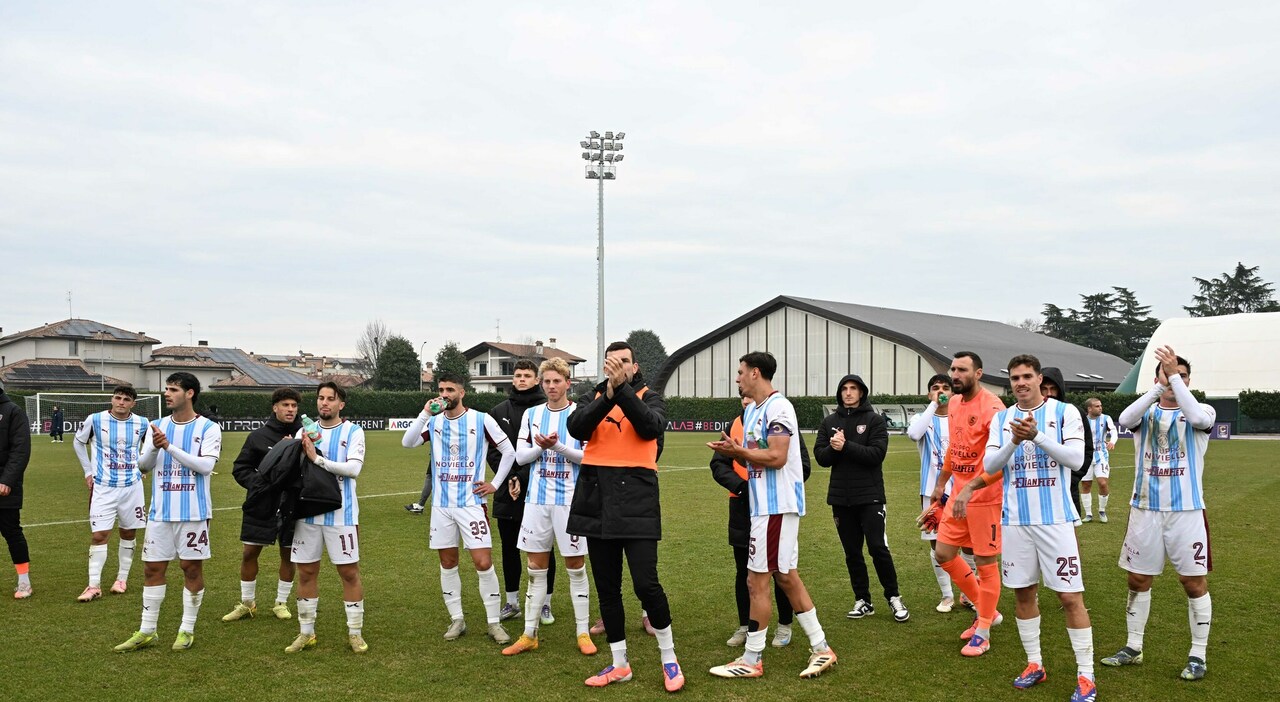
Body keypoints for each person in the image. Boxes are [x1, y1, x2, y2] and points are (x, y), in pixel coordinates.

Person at [951, 355, 1095, 702]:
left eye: (1027, 376)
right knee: (1023, 594)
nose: (1020, 383)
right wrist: (1015, 440)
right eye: (1015, 378)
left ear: (1039, 378)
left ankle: (1086, 675)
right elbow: (990, 464)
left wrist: (1037, 436)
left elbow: (1077, 460)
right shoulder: (1002, 418)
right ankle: (1035, 664)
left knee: (1069, 597)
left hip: (1055, 521)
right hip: (1015, 521)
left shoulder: (1065, 413)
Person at [707, 352, 837, 680]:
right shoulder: (752, 411)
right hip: (764, 507)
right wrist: (734, 452)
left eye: (740, 372)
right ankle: (822, 647)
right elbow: (757, 455)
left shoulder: (779, 408)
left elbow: (778, 456)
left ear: (755, 373)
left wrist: (738, 452)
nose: (737, 379)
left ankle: (751, 659)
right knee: (786, 576)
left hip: (776, 507)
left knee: (757, 580)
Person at [565, 341, 684, 692]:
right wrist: (609, 393)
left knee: (646, 584)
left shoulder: (650, 396)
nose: (619, 367)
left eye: (625, 363)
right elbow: (577, 428)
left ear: (635, 366)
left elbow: (651, 427)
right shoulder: (593, 397)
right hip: (596, 499)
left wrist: (623, 391)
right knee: (608, 588)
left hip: (638, 499)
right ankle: (619, 664)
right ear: (605, 367)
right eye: (612, 363)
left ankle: (669, 659)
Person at [1102, 346, 1215, 681]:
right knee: (1137, 579)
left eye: (1179, 375)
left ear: (1188, 380)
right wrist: (1158, 383)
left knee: (1192, 582)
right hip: (1145, 510)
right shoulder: (1145, 414)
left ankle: (1198, 654)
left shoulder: (1200, 410)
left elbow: (1197, 419)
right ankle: (1133, 647)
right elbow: (1123, 420)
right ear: (1156, 379)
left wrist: (1175, 378)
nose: (1171, 381)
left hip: (1187, 512)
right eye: (1165, 375)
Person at [401, 371, 518, 645]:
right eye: (441, 390)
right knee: (448, 562)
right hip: (442, 506)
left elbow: (508, 450)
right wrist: (424, 413)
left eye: (450, 390)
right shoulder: (435, 422)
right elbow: (407, 442)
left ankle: (493, 623)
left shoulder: (481, 419)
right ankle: (457, 619)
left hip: (471, 504)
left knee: (483, 562)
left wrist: (495, 484)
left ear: (462, 393)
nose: (445, 395)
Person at [115, 372, 222, 652]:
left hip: (193, 512)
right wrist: (154, 446)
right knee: (152, 568)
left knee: (190, 568)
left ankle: (187, 629)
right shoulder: (158, 426)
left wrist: (168, 446)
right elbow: (143, 465)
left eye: (173, 389)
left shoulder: (209, 428)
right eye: (167, 389)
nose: (167, 393)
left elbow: (205, 467)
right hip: (161, 512)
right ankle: (147, 630)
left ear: (190, 394)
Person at [501, 358, 595, 656]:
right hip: (537, 502)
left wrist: (557, 447)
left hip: (570, 502)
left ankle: (583, 632)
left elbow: (588, 457)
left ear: (568, 383)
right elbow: (520, 456)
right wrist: (542, 446)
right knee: (535, 569)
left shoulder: (581, 414)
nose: (551, 386)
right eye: (547, 382)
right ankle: (529, 633)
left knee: (576, 568)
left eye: (557, 381)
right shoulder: (532, 414)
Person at [710, 392, 811, 649]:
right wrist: (743, 487)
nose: (746, 402)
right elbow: (719, 465)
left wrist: (764, 484)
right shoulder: (734, 425)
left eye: (749, 398)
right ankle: (747, 627)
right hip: (742, 505)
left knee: (780, 572)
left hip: (773, 506)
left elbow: (799, 464)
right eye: (742, 400)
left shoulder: (779, 416)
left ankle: (783, 627)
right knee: (746, 572)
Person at [928, 351, 1006, 656]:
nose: (954, 375)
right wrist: (940, 484)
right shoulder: (954, 403)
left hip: (984, 497)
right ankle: (990, 610)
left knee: (985, 563)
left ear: (979, 373)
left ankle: (983, 628)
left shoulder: (994, 408)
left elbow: (1001, 461)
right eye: (952, 369)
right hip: (957, 494)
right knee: (943, 553)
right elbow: (955, 449)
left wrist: (971, 489)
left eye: (961, 370)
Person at [814, 373, 909, 622]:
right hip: (840, 498)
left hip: (870, 497)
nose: (848, 392)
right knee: (852, 552)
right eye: (844, 388)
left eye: (853, 388)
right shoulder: (829, 422)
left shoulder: (874, 421)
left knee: (878, 548)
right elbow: (821, 458)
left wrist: (845, 446)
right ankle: (863, 600)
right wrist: (835, 449)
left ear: (862, 392)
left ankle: (894, 596)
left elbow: (876, 454)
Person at [285, 381, 369, 654]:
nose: (324, 403)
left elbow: (353, 469)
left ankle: (355, 633)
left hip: (341, 515)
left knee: (348, 573)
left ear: (340, 404)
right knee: (307, 572)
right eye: (321, 398)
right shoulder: (303, 431)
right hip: (307, 515)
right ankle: (306, 633)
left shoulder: (353, 432)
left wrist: (317, 459)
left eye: (330, 399)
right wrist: (290, 451)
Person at [223, 387, 303, 622]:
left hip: (292, 505)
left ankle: (281, 603)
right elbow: (240, 468)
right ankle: (247, 603)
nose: (290, 410)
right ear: (275, 407)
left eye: (294, 406)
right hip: (261, 504)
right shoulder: (258, 437)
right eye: (286, 405)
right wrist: (259, 484)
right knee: (249, 552)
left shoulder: (305, 434)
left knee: (288, 554)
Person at [491, 360, 559, 625]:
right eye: (517, 375)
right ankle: (512, 602)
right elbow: (494, 451)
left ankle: (545, 603)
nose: (521, 379)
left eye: (527, 375)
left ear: (536, 380)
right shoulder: (498, 411)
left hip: (541, 489)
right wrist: (509, 478)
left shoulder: (546, 411)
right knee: (509, 548)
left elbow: (549, 452)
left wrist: (521, 477)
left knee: (544, 550)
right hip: (507, 491)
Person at [73, 385, 152, 601]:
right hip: (103, 487)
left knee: (128, 533)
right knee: (99, 535)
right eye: (118, 398)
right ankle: (93, 585)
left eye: (126, 399)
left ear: (133, 403)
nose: (121, 402)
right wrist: (88, 471)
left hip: (132, 488)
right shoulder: (95, 420)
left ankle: (121, 579)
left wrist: (143, 467)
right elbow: (79, 442)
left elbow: (150, 447)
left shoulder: (143, 423)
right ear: (112, 399)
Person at [907, 373, 976, 613]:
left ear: (955, 392)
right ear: (929, 394)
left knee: (969, 545)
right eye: (935, 388)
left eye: (946, 387)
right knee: (937, 544)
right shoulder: (921, 418)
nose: (941, 390)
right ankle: (946, 595)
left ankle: (968, 592)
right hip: (932, 492)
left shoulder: (962, 418)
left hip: (963, 491)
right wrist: (934, 403)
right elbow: (914, 434)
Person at [1040, 367, 1093, 522]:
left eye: (1052, 389)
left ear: (1060, 389)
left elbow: (1087, 449)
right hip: (1037, 486)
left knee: (1070, 534)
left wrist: (1073, 479)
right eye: (1044, 389)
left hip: (1067, 487)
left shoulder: (1073, 412)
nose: (1048, 393)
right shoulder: (1030, 413)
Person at [0, 381, 33, 599]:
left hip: (4, 487)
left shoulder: (13, 411)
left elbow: (21, 450)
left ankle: (24, 583)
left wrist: (7, 480)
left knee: (11, 532)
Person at [1080, 398, 1117, 524]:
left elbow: (1113, 430)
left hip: (1101, 456)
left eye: (1100, 405)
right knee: (1086, 485)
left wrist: (1112, 441)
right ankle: (1088, 514)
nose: (1100, 408)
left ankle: (1102, 510)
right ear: (1089, 408)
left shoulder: (1106, 418)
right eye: (1097, 406)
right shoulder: (1082, 420)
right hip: (1085, 456)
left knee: (1102, 483)